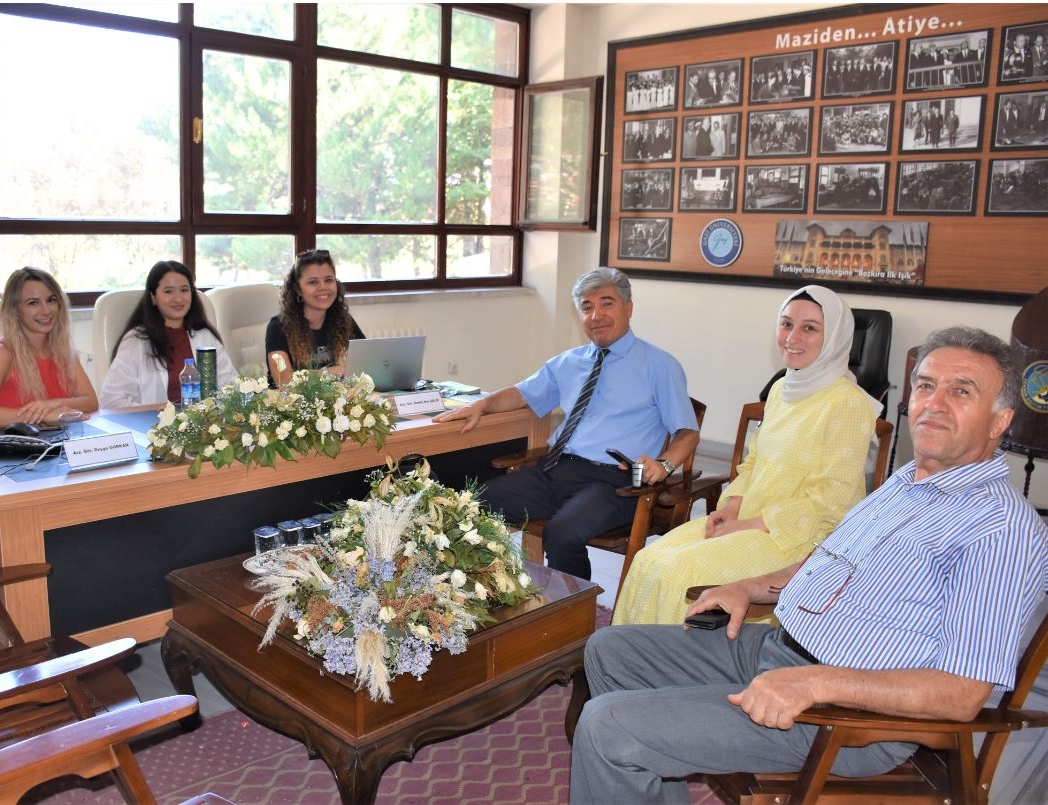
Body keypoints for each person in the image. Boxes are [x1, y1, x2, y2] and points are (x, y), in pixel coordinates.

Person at [570, 326, 1048, 805]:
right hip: (779, 647)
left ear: (999, 420)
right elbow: (830, 563)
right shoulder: (909, 482)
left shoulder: (999, 527)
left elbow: (962, 694)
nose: (935, 402)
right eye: (925, 385)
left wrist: (816, 682)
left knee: (608, 728)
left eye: (961, 391)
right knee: (609, 649)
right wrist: (752, 587)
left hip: (846, 716)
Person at [612, 286, 880, 625]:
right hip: (749, 518)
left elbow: (832, 501)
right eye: (786, 324)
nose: (792, 337)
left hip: (797, 539)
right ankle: (627, 667)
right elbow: (754, 463)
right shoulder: (783, 388)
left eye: (809, 328)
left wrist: (748, 525)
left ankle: (671, 670)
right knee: (649, 559)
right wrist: (732, 508)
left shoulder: (848, 403)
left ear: (835, 338)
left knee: (678, 572)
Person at [433, 268, 699, 580]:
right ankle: (489, 589)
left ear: (629, 307)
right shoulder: (568, 362)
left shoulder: (659, 365)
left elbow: (687, 432)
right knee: (469, 503)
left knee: (562, 534)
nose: (596, 315)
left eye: (607, 303)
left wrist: (665, 465)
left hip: (614, 482)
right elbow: (522, 393)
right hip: (556, 470)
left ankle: (572, 614)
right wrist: (483, 404)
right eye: (587, 307)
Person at [0, 267, 98, 428]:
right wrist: (41, 416)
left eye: (51, 300)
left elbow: (91, 401)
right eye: (33, 303)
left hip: (55, 442)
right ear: (14, 310)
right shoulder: (3, 353)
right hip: (14, 446)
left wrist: (50, 405)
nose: (46, 310)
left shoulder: (63, 351)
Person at [100, 260, 238, 407]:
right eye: (168, 291)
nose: (178, 298)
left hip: (205, 424)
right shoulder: (136, 341)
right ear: (153, 297)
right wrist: (153, 415)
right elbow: (111, 399)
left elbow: (231, 386)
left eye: (184, 290)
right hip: (153, 425)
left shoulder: (204, 336)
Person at [265, 249, 364, 387]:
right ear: (298, 289)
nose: (323, 287)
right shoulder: (278, 327)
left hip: (336, 401)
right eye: (313, 282)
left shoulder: (344, 321)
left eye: (329, 280)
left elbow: (368, 364)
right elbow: (284, 380)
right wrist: (330, 372)